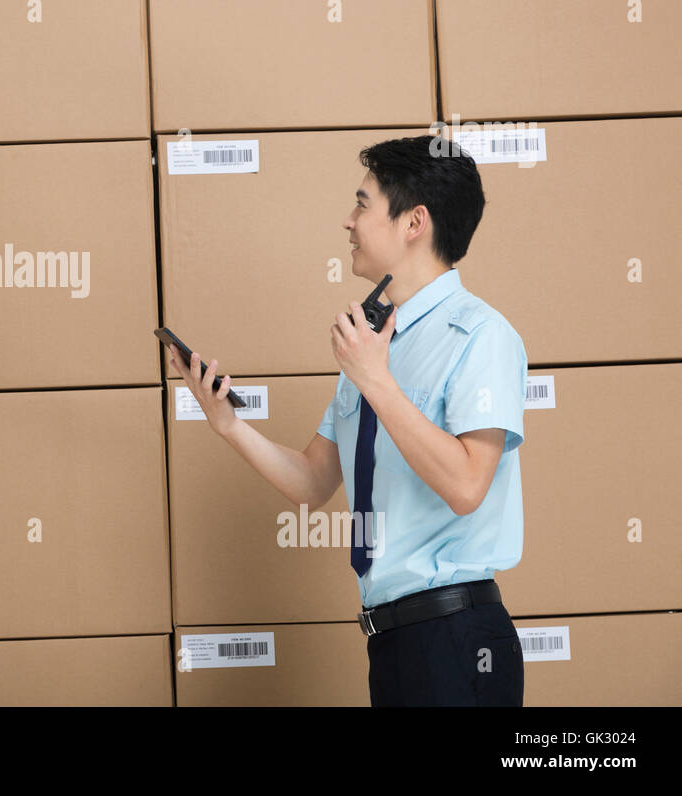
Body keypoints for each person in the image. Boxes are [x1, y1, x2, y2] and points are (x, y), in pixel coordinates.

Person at [171, 134, 527, 706]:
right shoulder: (372, 342)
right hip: (391, 643)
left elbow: (466, 486)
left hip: (458, 639)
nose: (349, 221)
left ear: (414, 222)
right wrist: (228, 425)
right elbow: (313, 481)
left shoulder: (480, 337)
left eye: (363, 203)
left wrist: (375, 379)